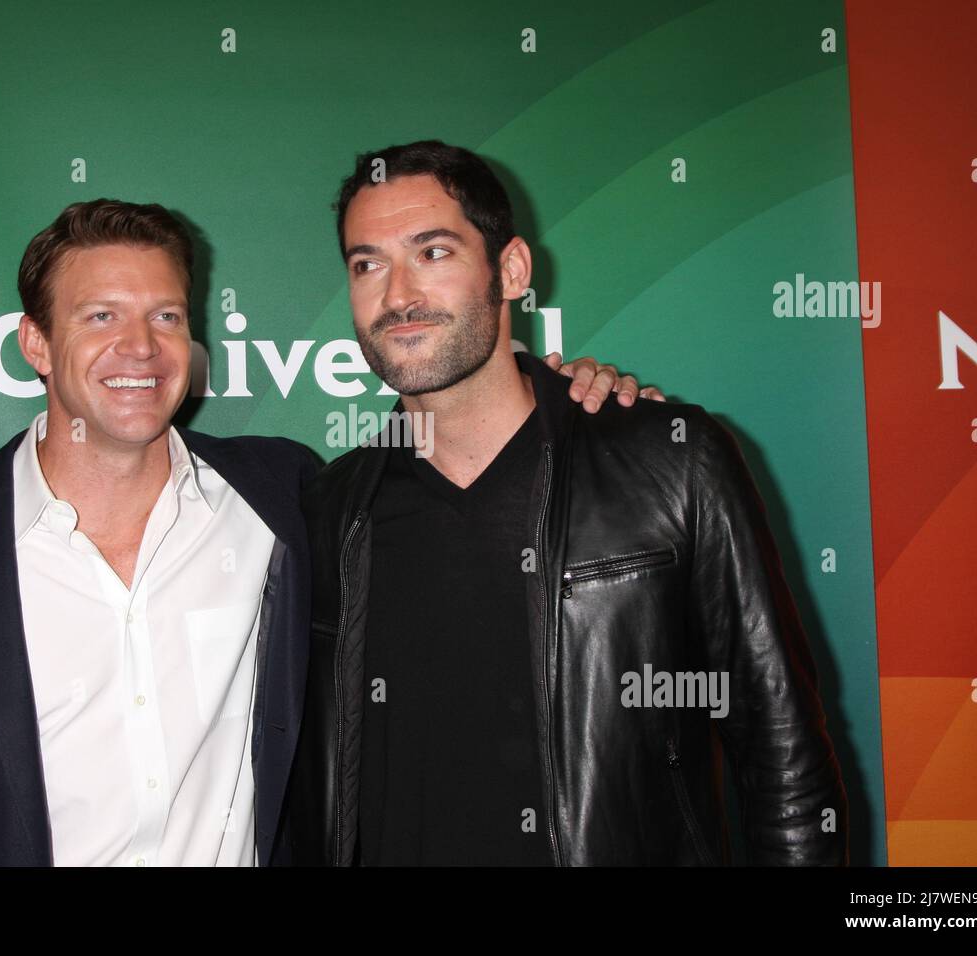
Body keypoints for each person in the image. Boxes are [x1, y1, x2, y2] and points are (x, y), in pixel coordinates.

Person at [0, 198, 647, 866]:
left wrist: (566, 396)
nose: (139, 348)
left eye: (167, 316)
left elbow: (463, 467)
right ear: (36, 342)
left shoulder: (284, 497)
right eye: (100, 316)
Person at [283, 140, 849, 866]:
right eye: (368, 264)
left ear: (511, 269)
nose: (397, 296)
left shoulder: (668, 461)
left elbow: (785, 761)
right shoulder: (327, 514)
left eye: (432, 252)